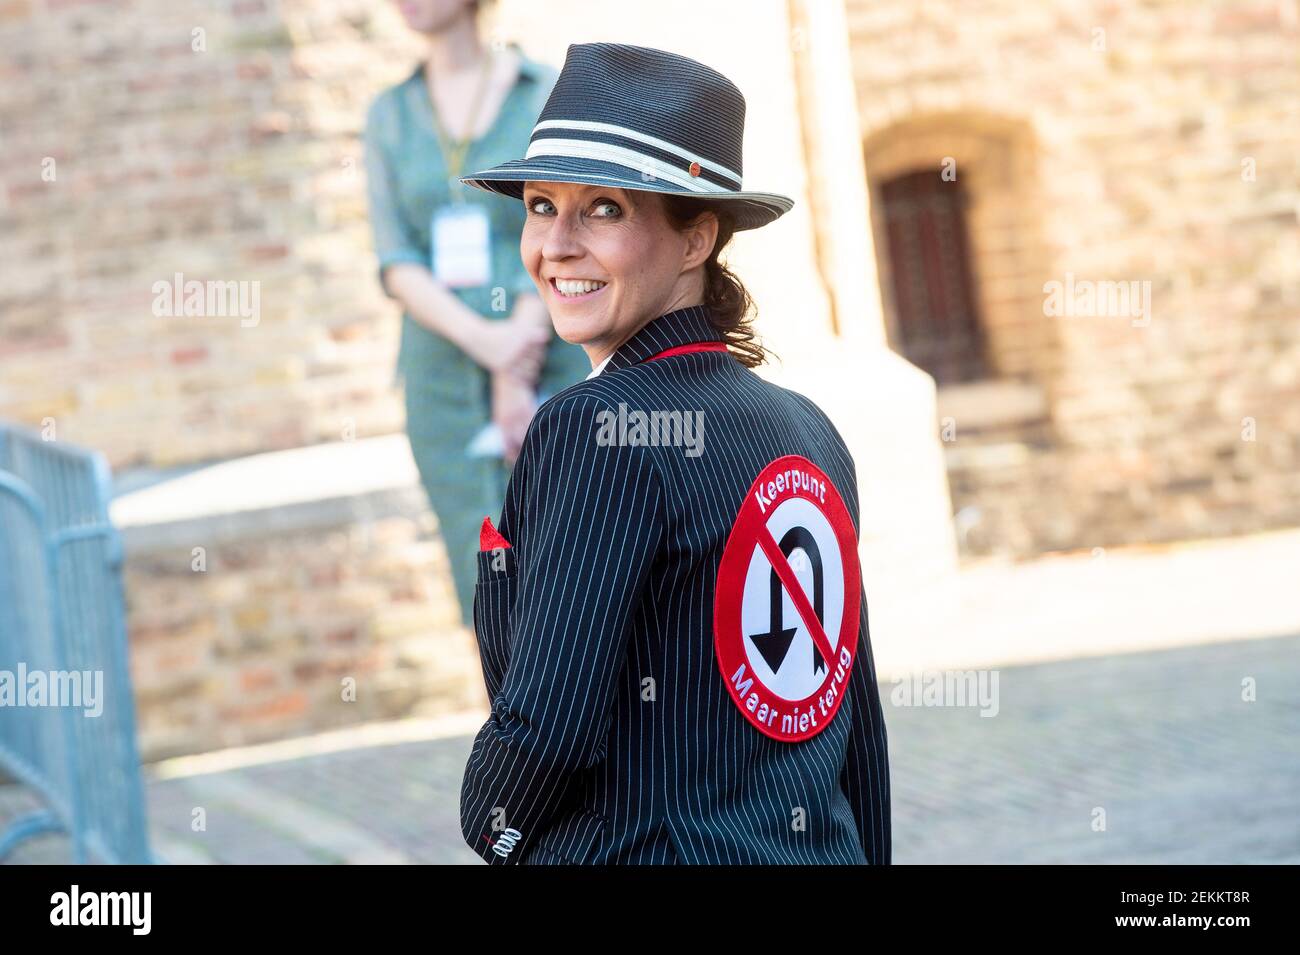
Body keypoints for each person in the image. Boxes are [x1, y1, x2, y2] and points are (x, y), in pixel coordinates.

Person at [457, 42, 891, 864]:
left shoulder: (595, 426)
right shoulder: (809, 429)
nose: (556, 244)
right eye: (542, 205)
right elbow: (853, 729)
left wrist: (490, 824)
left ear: (697, 239)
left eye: (605, 210)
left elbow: (549, 722)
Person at [363, 0, 590, 627]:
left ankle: (589, 722)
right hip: (439, 377)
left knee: (571, 563)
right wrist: (484, 344)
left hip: (549, 349)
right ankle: (514, 725)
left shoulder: (542, 91)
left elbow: (555, 223)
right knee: (482, 578)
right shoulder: (389, 115)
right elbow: (396, 257)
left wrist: (513, 360)